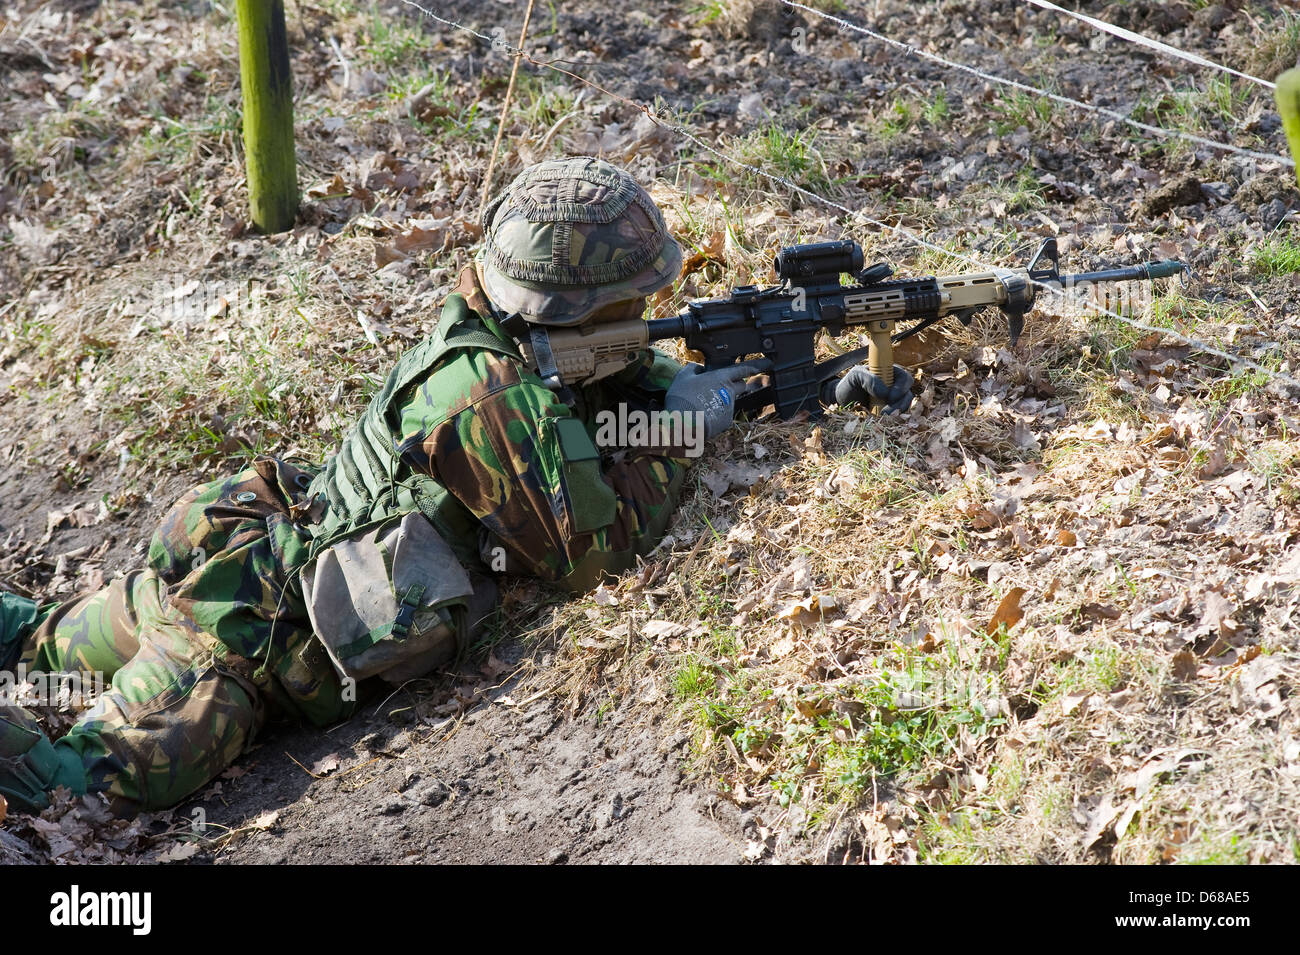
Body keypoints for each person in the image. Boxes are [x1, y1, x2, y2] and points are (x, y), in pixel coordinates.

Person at [0, 157, 913, 817]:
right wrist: (684, 432)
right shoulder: (485, 399)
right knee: (80, 780)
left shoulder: (499, 336)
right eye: (629, 305)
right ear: (567, 310)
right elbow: (593, 549)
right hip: (237, 643)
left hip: (236, 551)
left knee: (39, 640)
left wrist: (778, 387)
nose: (648, 316)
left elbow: (601, 402)